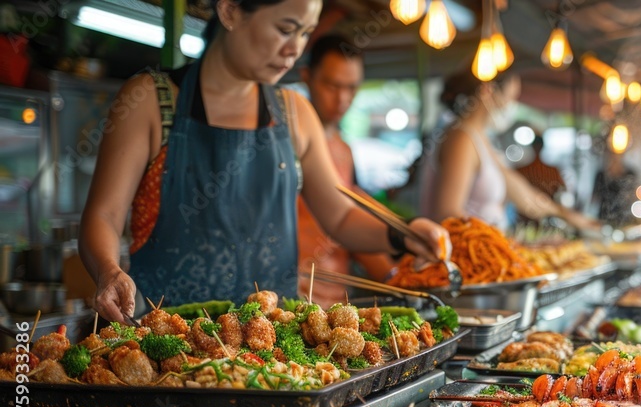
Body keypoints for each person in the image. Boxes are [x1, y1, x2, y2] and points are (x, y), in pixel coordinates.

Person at [80, 0, 449, 324]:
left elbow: (339, 216)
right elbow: (104, 216)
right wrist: (108, 270)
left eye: (304, 33)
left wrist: (405, 232)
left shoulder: (295, 113)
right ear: (229, 10)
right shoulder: (151, 101)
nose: (294, 49)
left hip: (275, 354)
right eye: (285, 29)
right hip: (166, 348)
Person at [418, 70, 597, 233]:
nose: (510, 106)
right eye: (510, 98)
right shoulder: (461, 139)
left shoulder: (481, 140)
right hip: (463, 260)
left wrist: (565, 214)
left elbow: (523, 195)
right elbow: (448, 215)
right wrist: (495, 243)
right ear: (487, 92)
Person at [297, 33, 394, 306]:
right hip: (295, 297)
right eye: (332, 85)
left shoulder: (344, 149)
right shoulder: (288, 141)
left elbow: (349, 220)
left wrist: (396, 277)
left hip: (340, 297)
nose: (342, 98)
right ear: (307, 77)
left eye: (352, 87)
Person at [592, 150, 639, 228]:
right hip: (604, 220)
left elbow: (635, 197)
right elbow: (595, 198)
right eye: (612, 156)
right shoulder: (601, 175)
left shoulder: (630, 174)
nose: (615, 158)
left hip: (626, 219)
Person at [516, 133, 565, 200]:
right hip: (548, 207)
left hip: (527, 207)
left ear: (532, 147)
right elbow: (562, 189)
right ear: (542, 146)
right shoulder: (552, 170)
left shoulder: (522, 170)